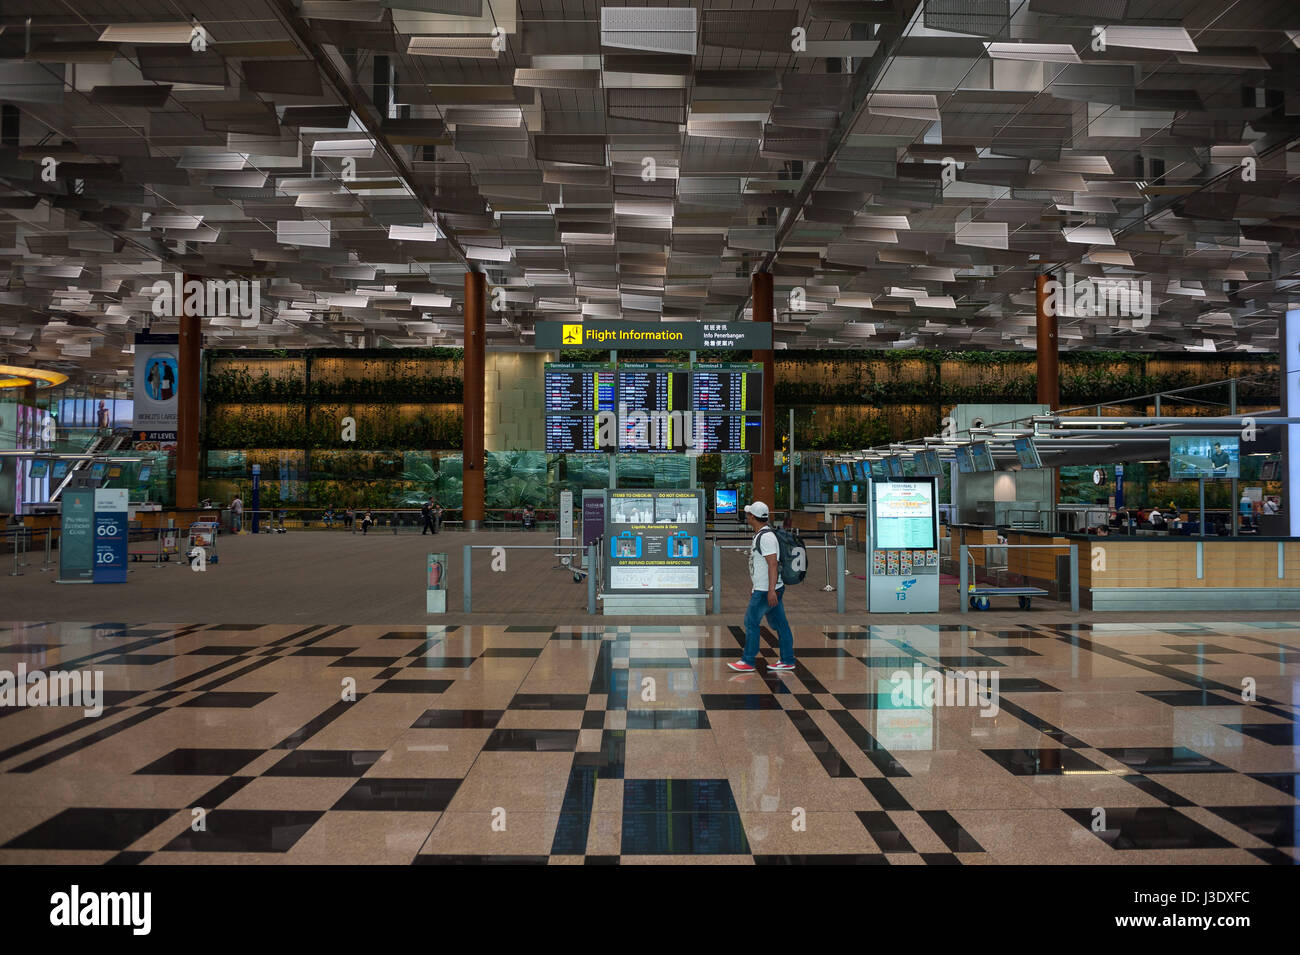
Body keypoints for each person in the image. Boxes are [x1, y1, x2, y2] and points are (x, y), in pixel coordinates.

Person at [728, 501, 796, 673]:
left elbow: (772, 564)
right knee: (781, 624)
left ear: (752, 517)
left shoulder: (765, 537)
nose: (747, 516)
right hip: (767, 588)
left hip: (767, 590)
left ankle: (748, 661)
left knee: (751, 622)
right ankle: (787, 660)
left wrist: (770, 590)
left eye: (748, 514)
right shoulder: (763, 534)